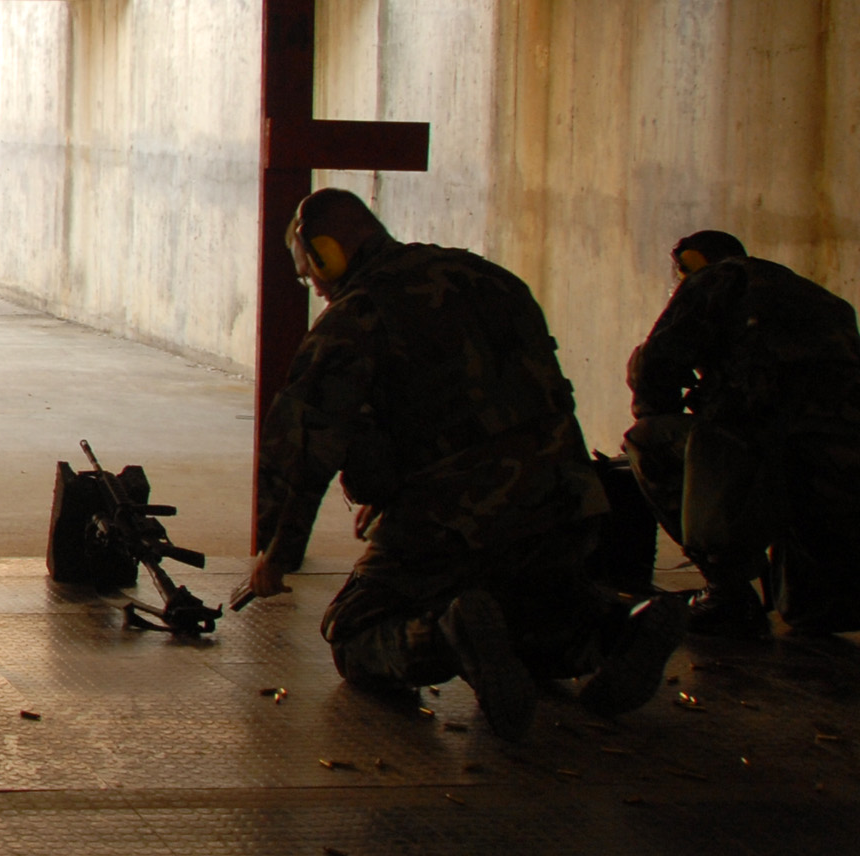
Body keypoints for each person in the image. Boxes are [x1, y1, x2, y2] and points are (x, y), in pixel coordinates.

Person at [234, 191, 683, 742]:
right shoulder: (490, 280)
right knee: (539, 613)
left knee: (353, 632)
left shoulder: (357, 315)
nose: (319, 289)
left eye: (312, 276)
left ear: (325, 254)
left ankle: (449, 633)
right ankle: (619, 630)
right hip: (562, 506)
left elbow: (304, 448)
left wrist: (277, 555)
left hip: (451, 521)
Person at [621, 230, 860, 638]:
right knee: (809, 614)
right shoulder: (819, 299)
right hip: (840, 463)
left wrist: (685, 440)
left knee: (646, 440)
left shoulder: (714, 281)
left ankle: (726, 588)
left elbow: (654, 369)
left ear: (692, 263)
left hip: (755, 451)